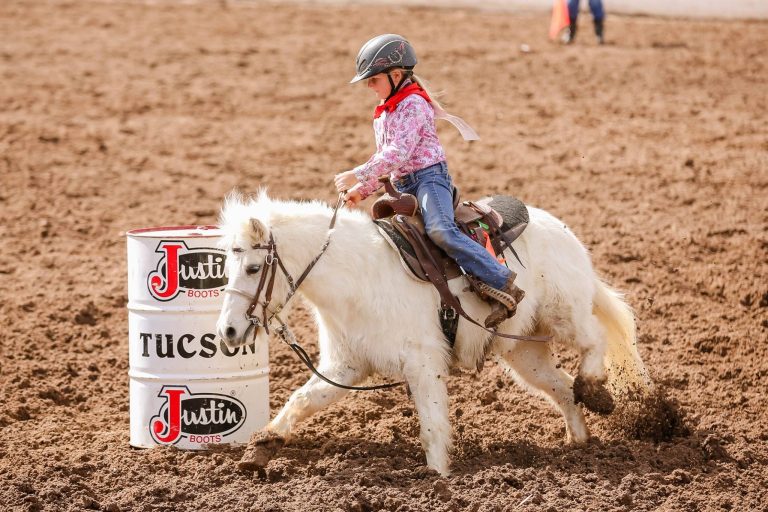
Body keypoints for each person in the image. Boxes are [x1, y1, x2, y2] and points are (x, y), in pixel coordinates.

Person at [333, 34, 524, 328]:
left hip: (429, 179)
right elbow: (387, 161)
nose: (369, 86)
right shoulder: (385, 111)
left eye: (373, 79)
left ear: (396, 75)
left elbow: (398, 152)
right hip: (403, 183)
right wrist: (362, 190)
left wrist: (358, 174)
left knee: (440, 230)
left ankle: (503, 282)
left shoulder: (413, 105)